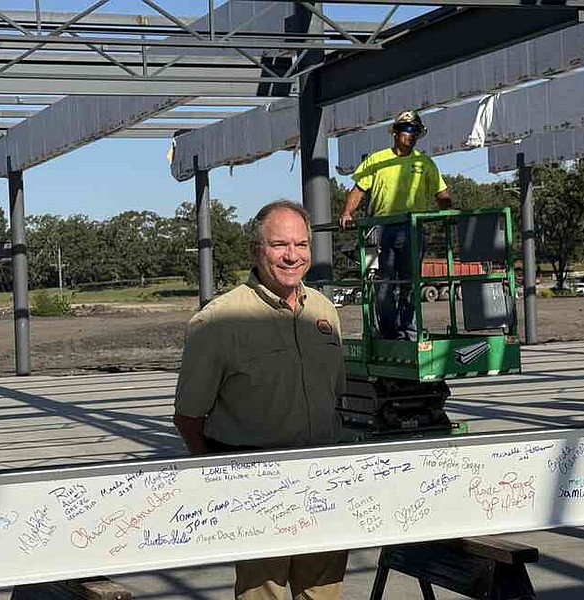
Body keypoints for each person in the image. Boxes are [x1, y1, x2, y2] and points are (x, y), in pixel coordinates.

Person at [173, 200, 348, 600]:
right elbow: (188, 418)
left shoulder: (324, 312)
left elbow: (335, 396)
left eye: (301, 244)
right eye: (279, 245)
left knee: (323, 593)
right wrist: (221, 482)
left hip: (324, 483)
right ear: (257, 251)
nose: (292, 256)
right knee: (261, 594)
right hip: (255, 491)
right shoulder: (218, 321)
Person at [338, 109, 453, 341]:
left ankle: (408, 330)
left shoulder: (424, 163)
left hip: (412, 226)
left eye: (416, 131)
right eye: (407, 129)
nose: (412, 135)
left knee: (410, 282)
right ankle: (389, 332)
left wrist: (450, 214)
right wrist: (347, 212)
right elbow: (359, 189)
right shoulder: (377, 160)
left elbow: (441, 194)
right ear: (396, 133)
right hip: (381, 228)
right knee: (384, 283)